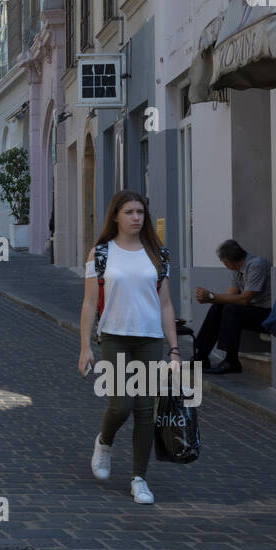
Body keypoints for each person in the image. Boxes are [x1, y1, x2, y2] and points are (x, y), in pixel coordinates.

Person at [79, 190, 180, 506]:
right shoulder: (101, 253)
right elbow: (88, 302)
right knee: (121, 405)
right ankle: (104, 442)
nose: (136, 217)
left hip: (150, 338)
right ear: (115, 216)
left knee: (145, 410)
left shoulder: (158, 255)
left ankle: (139, 479)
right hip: (114, 336)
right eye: (129, 212)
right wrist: (85, 347)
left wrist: (174, 350)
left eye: (140, 212)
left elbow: (165, 305)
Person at [193, 240, 271, 374]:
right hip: (252, 310)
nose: (224, 265)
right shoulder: (237, 269)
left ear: (229, 261)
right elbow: (229, 296)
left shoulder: (257, 265)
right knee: (218, 308)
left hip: (267, 313)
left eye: (224, 262)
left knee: (231, 310)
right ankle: (201, 357)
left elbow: (245, 299)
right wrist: (209, 299)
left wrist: (212, 296)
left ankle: (231, 361)